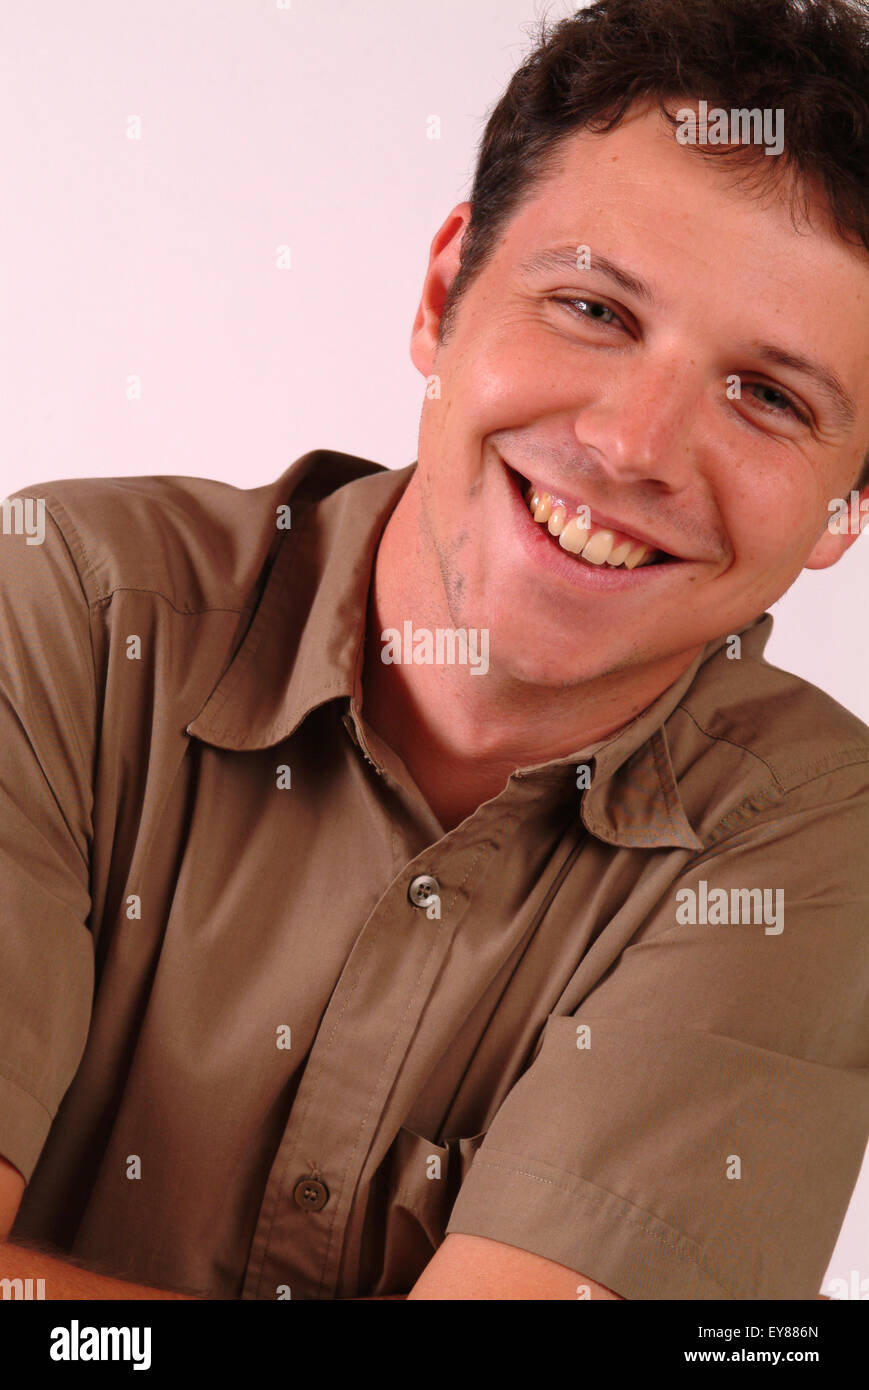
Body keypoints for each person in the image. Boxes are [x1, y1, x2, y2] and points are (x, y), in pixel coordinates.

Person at [1, 0, 868, 1301]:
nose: (632, 445)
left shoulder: (814, 836)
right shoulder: (67, 599)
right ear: (437, 295)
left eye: (767, 396)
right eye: (590, 308)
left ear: (843, 512)